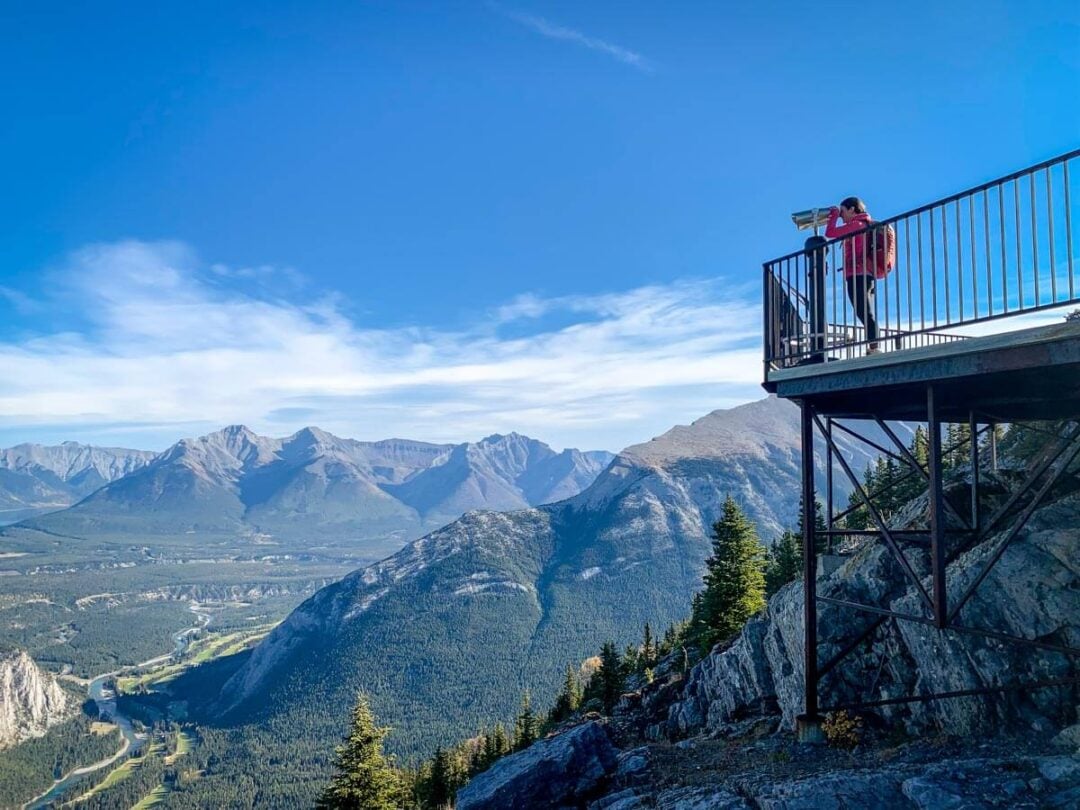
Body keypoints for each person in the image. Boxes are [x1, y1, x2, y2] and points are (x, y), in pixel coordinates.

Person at [826, 197, 879, 354]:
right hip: (865, 274)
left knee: (864, 311)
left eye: (842, 211)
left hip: (858, 274)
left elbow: (830, 233)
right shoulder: (863, 224)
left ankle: (875, 347)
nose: (841, 215)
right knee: (864, 311)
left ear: (852, 209)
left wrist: (833, 215)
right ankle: (873, 345)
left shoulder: (857, 225)